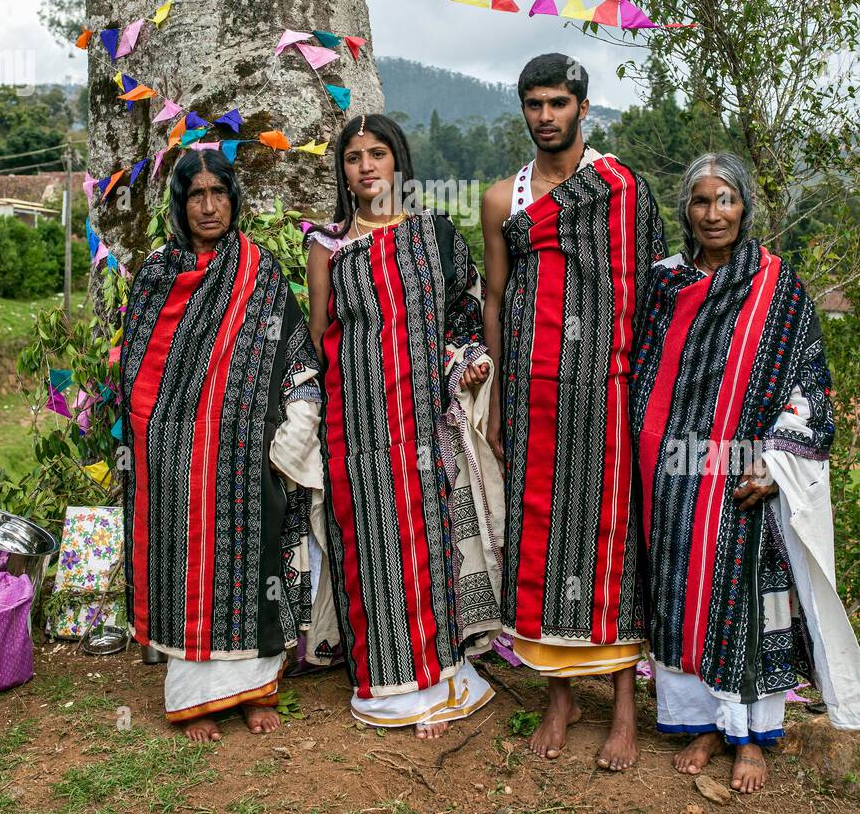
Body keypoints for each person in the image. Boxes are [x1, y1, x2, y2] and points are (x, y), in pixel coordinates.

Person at [630, 152, 860, 792]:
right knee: (681, 596)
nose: (713, 214)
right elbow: (644, 368)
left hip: (745, 471)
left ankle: (751, 735)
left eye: (725, 200)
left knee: (752, 599)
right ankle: (703, 725)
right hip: (672, 472)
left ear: (744, 207)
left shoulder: (777, 286)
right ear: (686, 210)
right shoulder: (665, 282)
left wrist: (776, 459)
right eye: (700, 201)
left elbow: (808, 379)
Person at [481, 53, 665, 766]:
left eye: (559, 103)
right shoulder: (506, 200)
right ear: (523, 110)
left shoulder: (622, 189)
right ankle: (559, 698)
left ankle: (621, 702)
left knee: (609, 538)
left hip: (610, 389)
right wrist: (497, 397)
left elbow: (647, 293)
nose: (546, 116)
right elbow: (496, 301)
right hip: (535, 394)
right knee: (545, 539)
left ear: (583, 108)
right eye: (534, 104)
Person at [305, 113, 504, 738]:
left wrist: (468, 362)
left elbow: (463, 319)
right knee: (375, 546)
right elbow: (318, 338)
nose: (366, 165)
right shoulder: (328, 245)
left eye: (378, 153)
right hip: (356, 425)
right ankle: (391, 688)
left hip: (425, 425)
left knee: (431, 543)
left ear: (399, 162)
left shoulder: (435, 233)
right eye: (353, 156)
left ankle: (444, 672)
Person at [121, 148, 322, 742]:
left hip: (244, 458)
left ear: (234, 200)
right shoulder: (158, 273)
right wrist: (156, 436)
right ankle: (197, 700)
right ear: (181, 206)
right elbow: (137, 368)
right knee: (185, 569)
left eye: (219, 193)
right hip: (175, 460)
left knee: (250, 565)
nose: (209, 206)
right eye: (195, 195)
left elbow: (294, 353)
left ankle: (255, 691)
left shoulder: (257, 272)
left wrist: (292, 428)